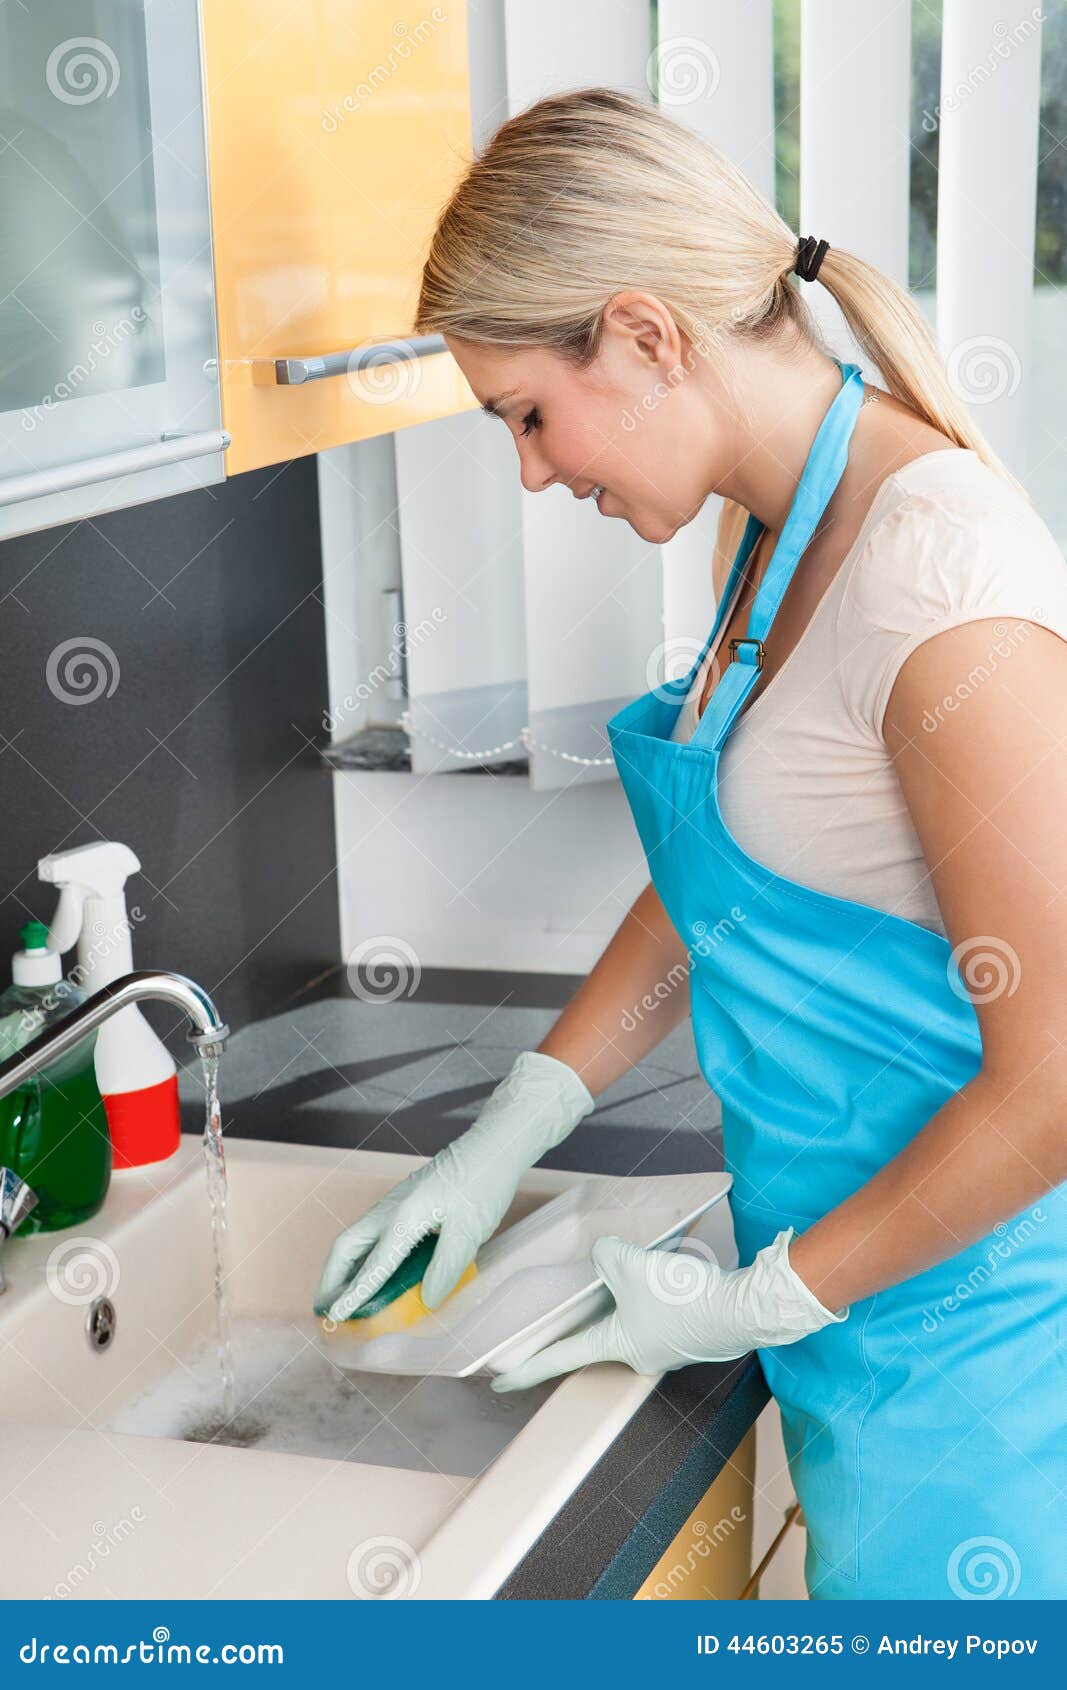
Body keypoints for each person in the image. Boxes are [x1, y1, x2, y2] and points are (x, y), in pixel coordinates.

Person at [316, 88, 1067, 1601]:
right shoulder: (776, 529)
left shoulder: (942, 593)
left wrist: (754, 1298)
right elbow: (721, 886)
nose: (532, 471)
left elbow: (1056, 1077)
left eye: (528, 414)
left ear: (649, 336)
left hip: (995, 1385)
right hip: (859, 1334)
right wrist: (511, 1124)